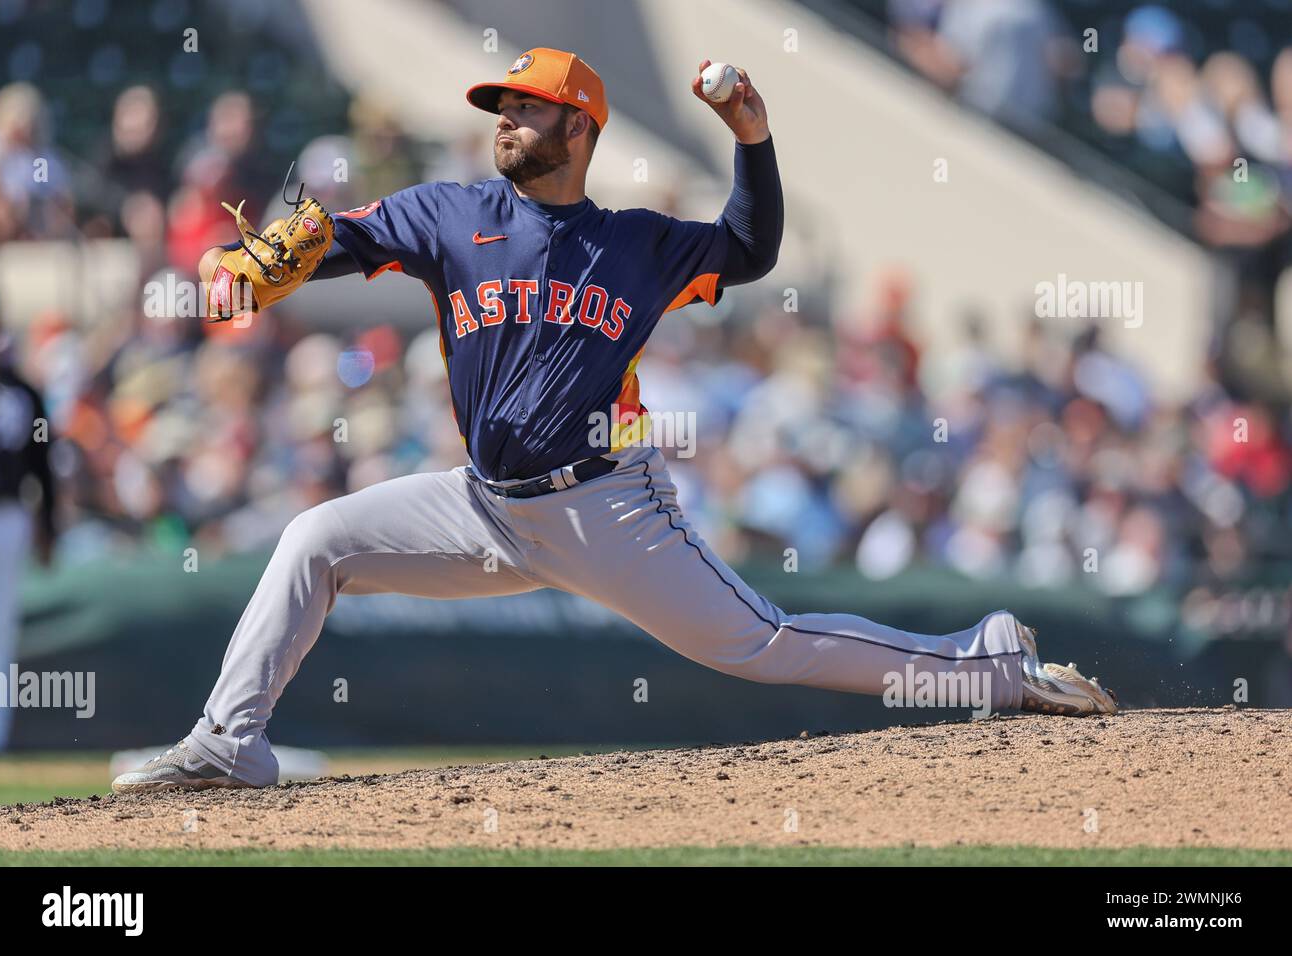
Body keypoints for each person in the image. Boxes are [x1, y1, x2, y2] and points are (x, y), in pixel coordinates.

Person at [114, 48, 1115, 792]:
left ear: (579, 129)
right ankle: (229, 739)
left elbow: (751, 248)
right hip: (482, 506)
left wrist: (751, 137)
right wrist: (256, 269)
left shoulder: (634, 243)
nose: (504, 119)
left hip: (607, 505)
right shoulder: (446, 212)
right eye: (499, 106)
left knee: (761, 643)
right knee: (313, 539)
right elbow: (344, 236)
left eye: (526, 109)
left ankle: (985, 663)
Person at [0, 290, 57, 752]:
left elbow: (42, 462)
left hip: (8, 516)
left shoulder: (20, 388)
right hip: (10, 517)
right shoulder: (18, 388)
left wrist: (47, 524)